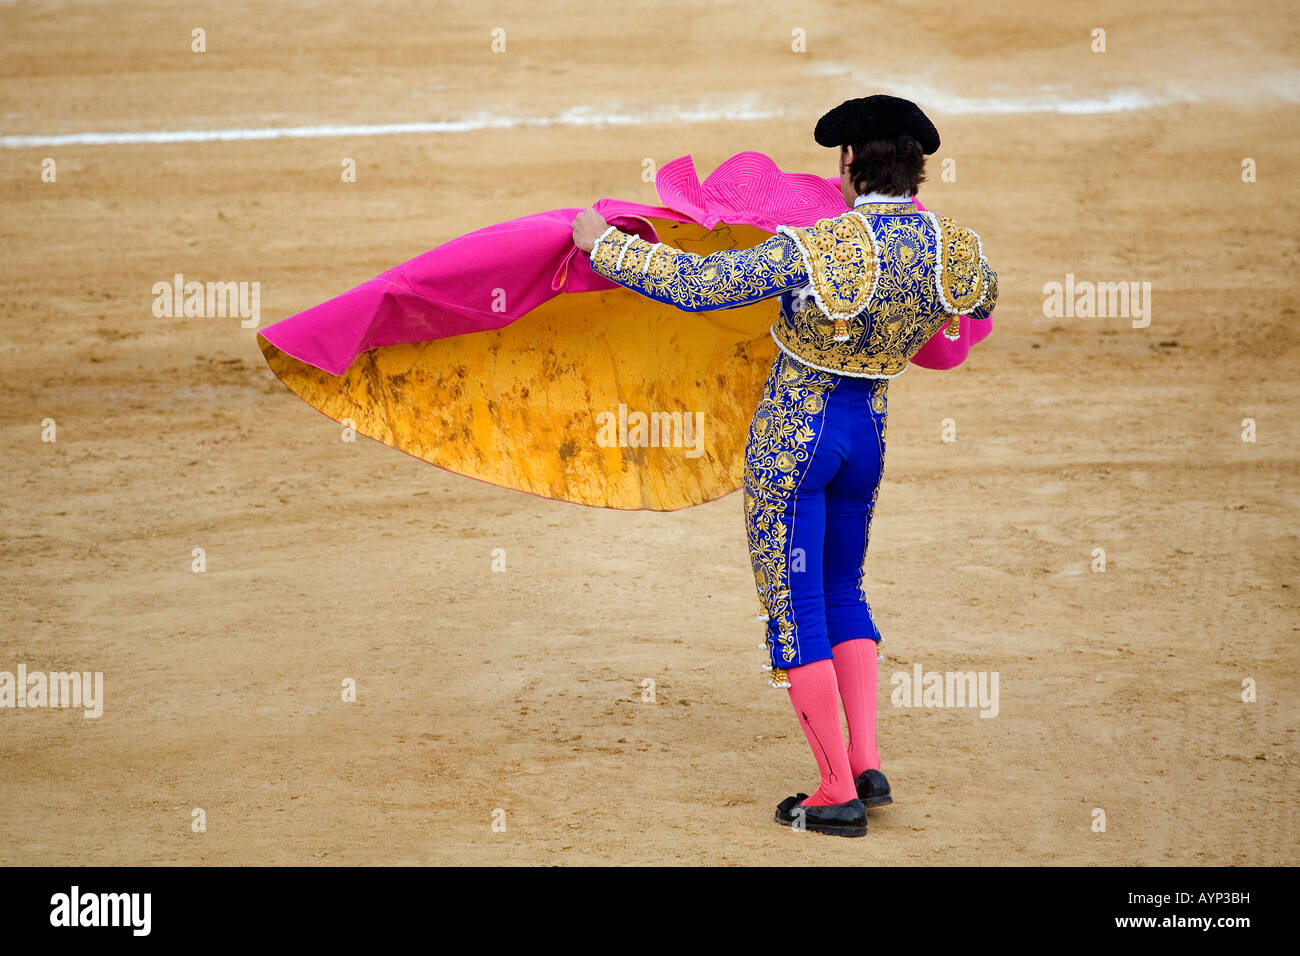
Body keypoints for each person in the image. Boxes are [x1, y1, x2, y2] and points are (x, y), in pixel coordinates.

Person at [571, 95, 998, 837]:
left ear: (847, 165)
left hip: (797, 441)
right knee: (844, 590)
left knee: (796, 605)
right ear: (918, 171)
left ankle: (836, 793)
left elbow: (700, 288)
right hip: (867, 434)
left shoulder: (821, 245)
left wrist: (605, 246)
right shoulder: (953, 248)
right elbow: (981, 299)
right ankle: (865, 761)